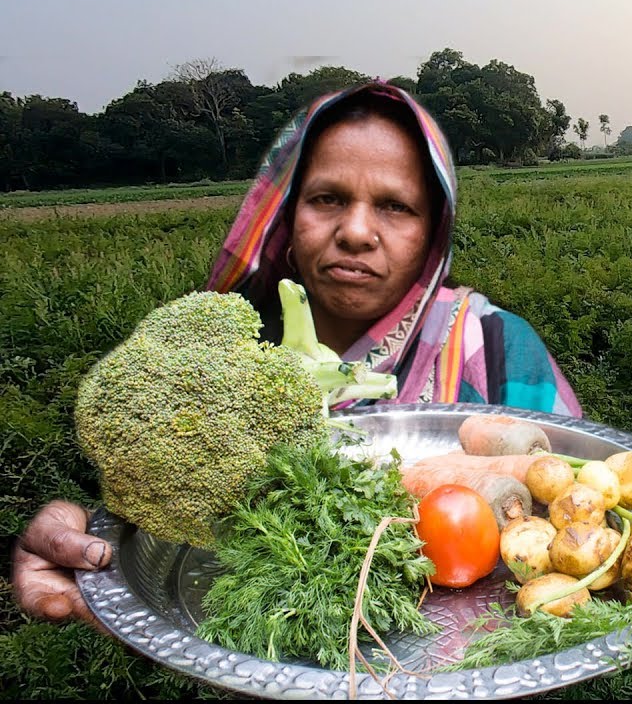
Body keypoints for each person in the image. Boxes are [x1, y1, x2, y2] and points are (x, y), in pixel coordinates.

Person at [12, 80, 583, 629]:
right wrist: (88, 543)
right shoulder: (221, 360)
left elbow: (581, 513)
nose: (357, 231)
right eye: (327, 198)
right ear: (287, 215)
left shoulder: (498, 348)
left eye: (396, 206)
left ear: (434, 228)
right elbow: (170, 520)